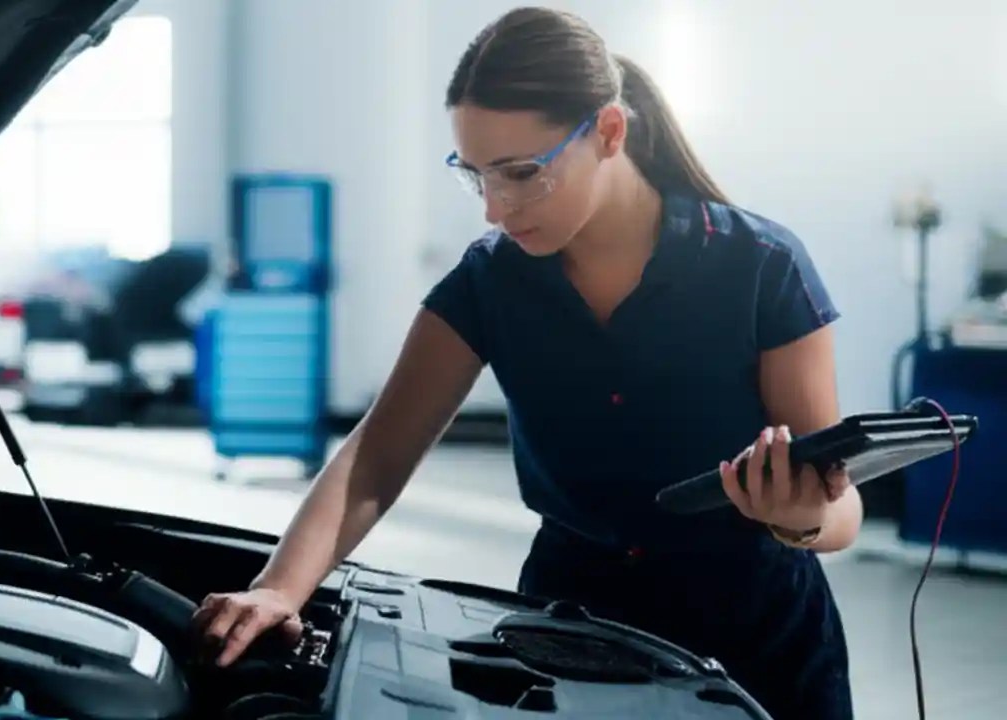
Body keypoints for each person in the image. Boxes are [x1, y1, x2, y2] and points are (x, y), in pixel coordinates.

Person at [192, 7, 859, 718]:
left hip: (758, 652)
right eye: (477, 176)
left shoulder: (760, 266)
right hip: (571, 640)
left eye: (520, 173)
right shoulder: (489, 281)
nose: (495, 209)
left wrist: (799, 520)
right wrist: (279, 588)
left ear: (608, 132)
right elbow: (375, 459)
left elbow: (842, 507)